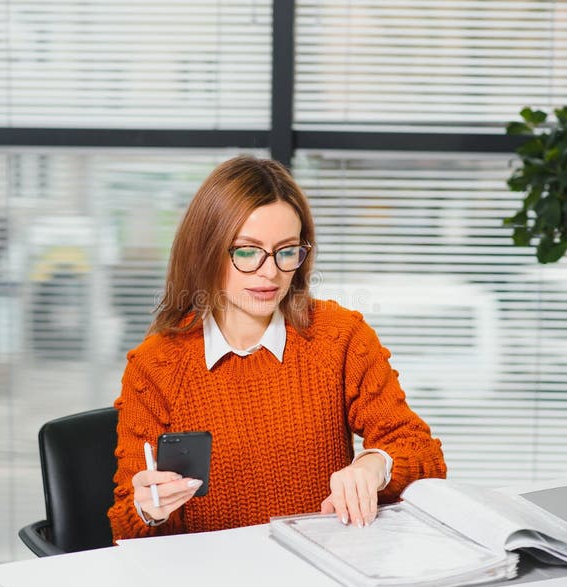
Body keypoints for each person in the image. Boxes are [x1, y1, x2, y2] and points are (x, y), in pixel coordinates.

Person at [108, 156, 446, 541]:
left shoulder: (339, 337)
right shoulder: (156, 365)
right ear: (206, 250)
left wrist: (374, 466)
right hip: (214, 581)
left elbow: (424, 456)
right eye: (248, 251)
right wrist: (146, 511)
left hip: (323, 569)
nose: (270, 272)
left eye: (286, 251)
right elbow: (125, 527)